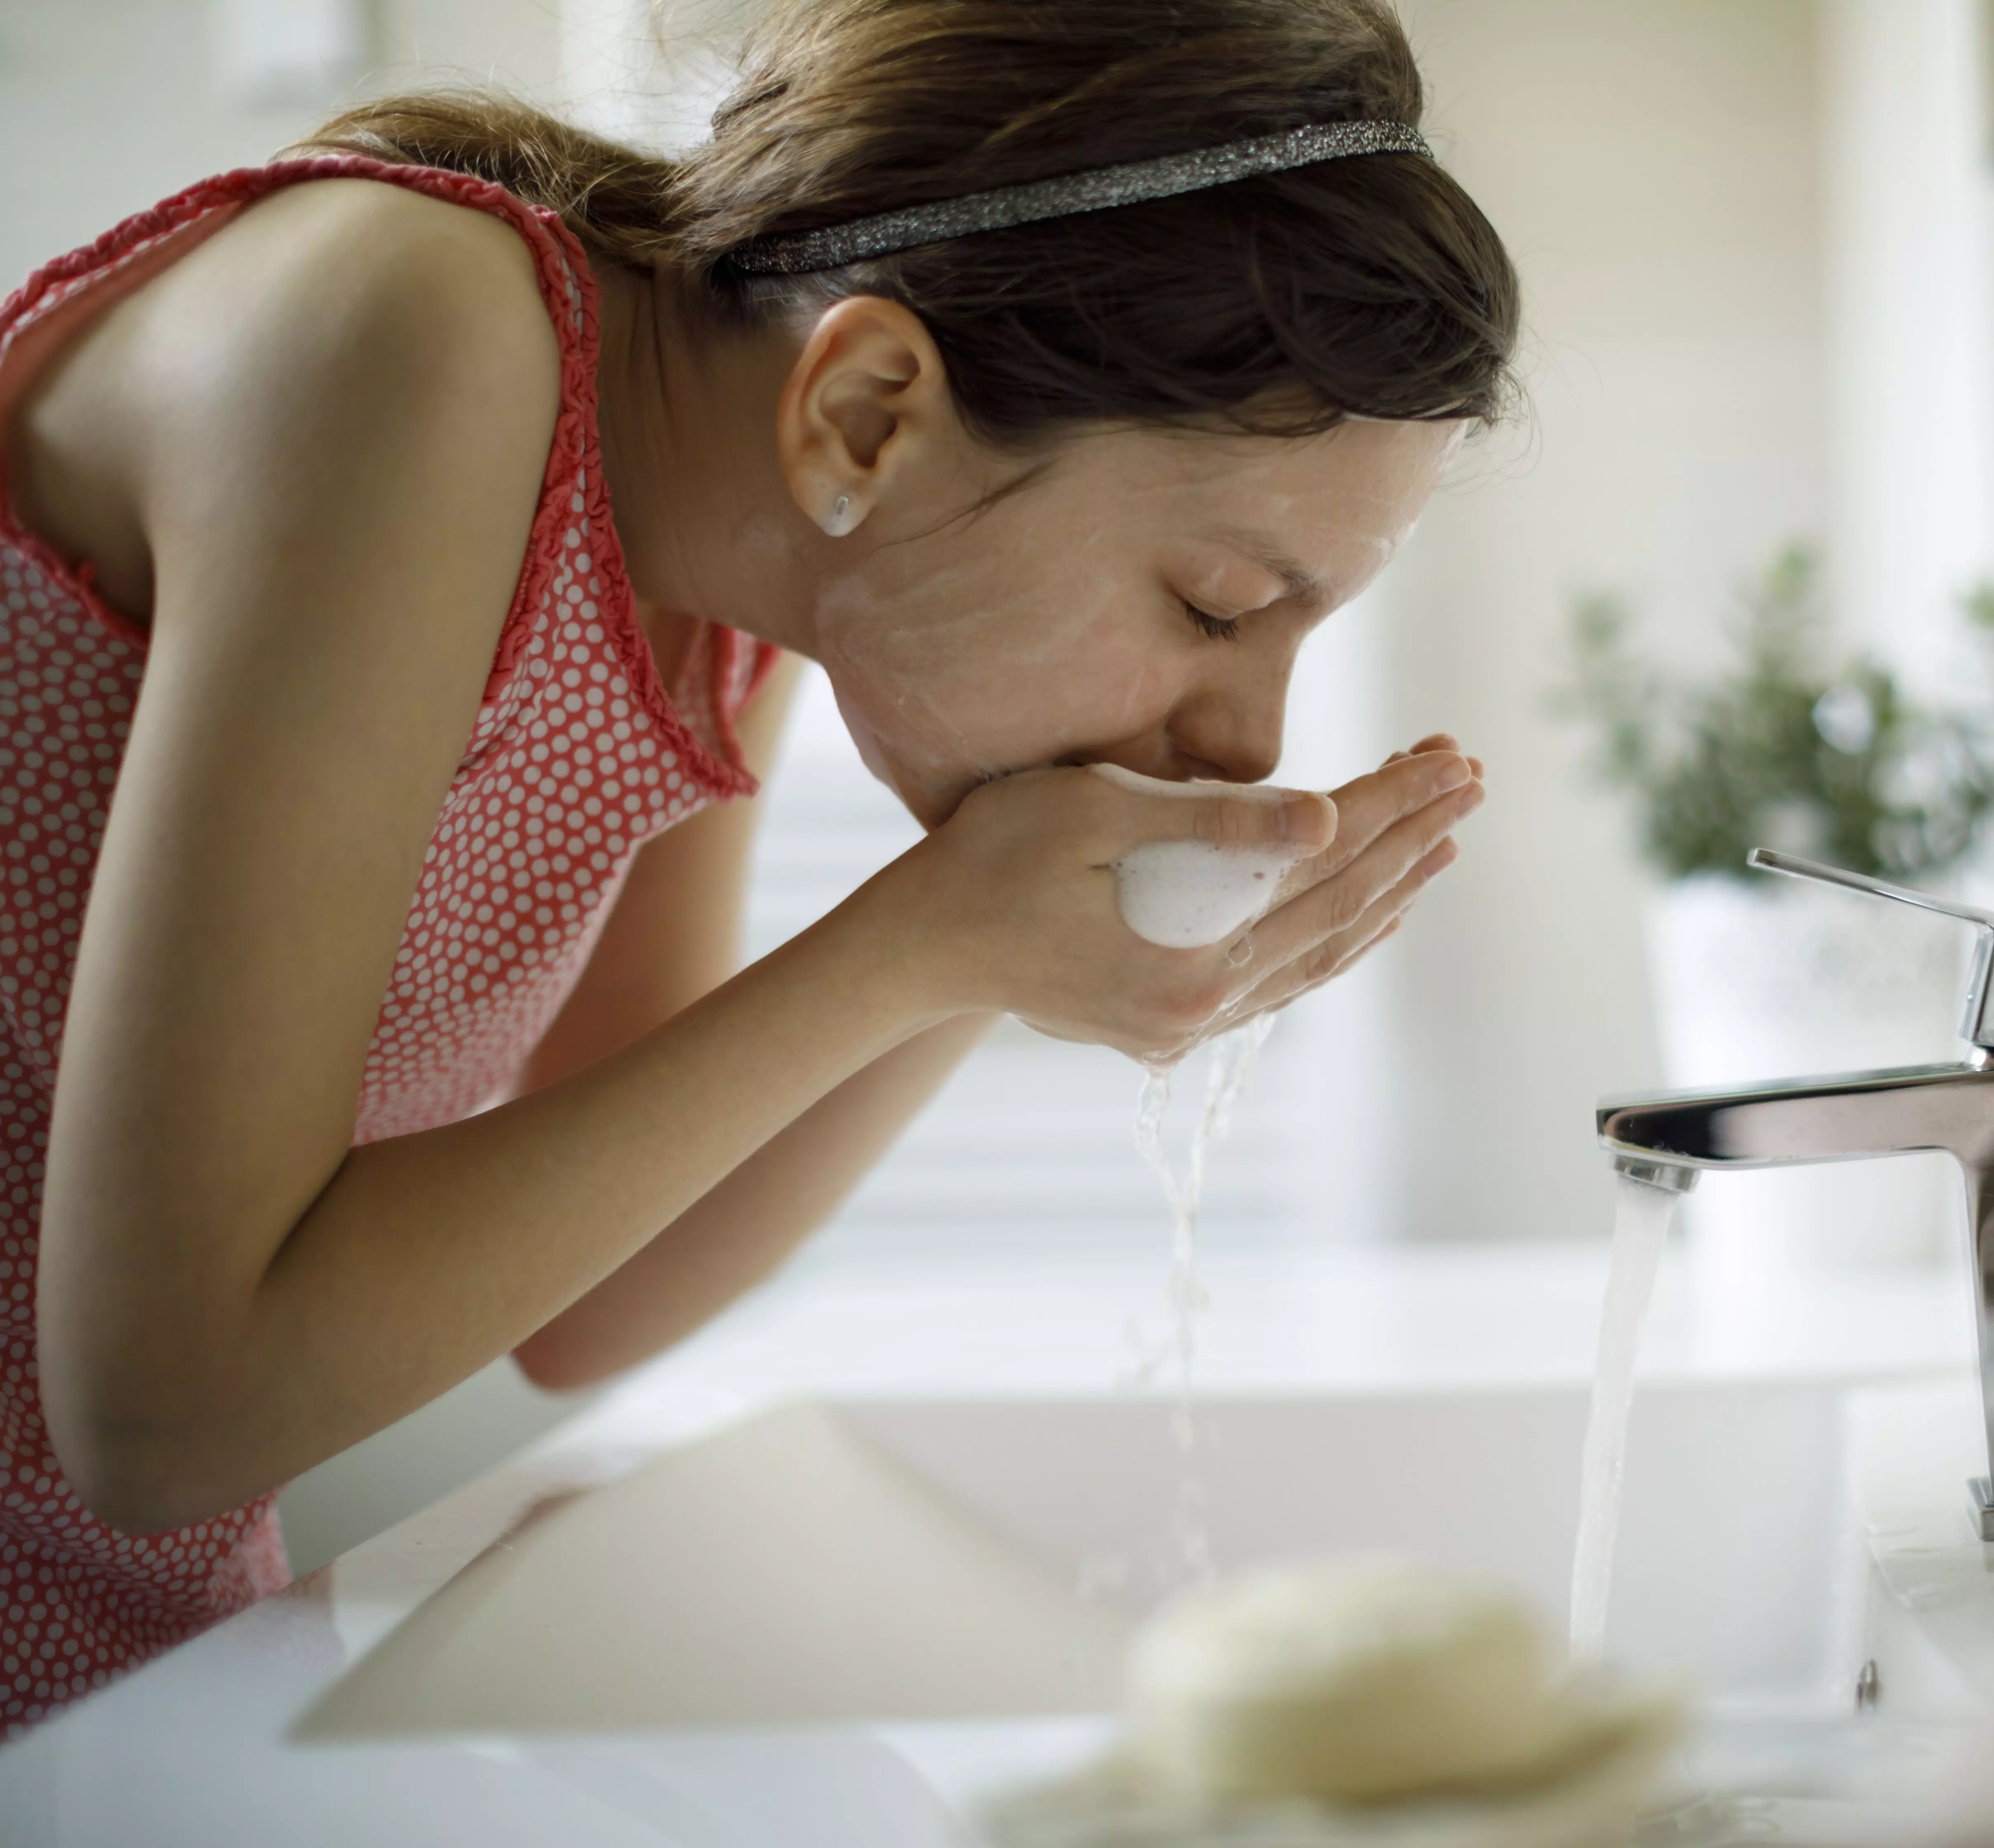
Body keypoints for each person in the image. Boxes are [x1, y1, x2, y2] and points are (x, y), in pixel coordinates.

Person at [0, 0, 1514, 1732]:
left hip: (109, 1696)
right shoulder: (412, 334)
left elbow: (597, 1300)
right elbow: (165, 1406)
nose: (1251, 741)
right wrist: (916, 945)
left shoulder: (744, 561)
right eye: (1221, 605)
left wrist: (1010, 950)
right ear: (871, 412)